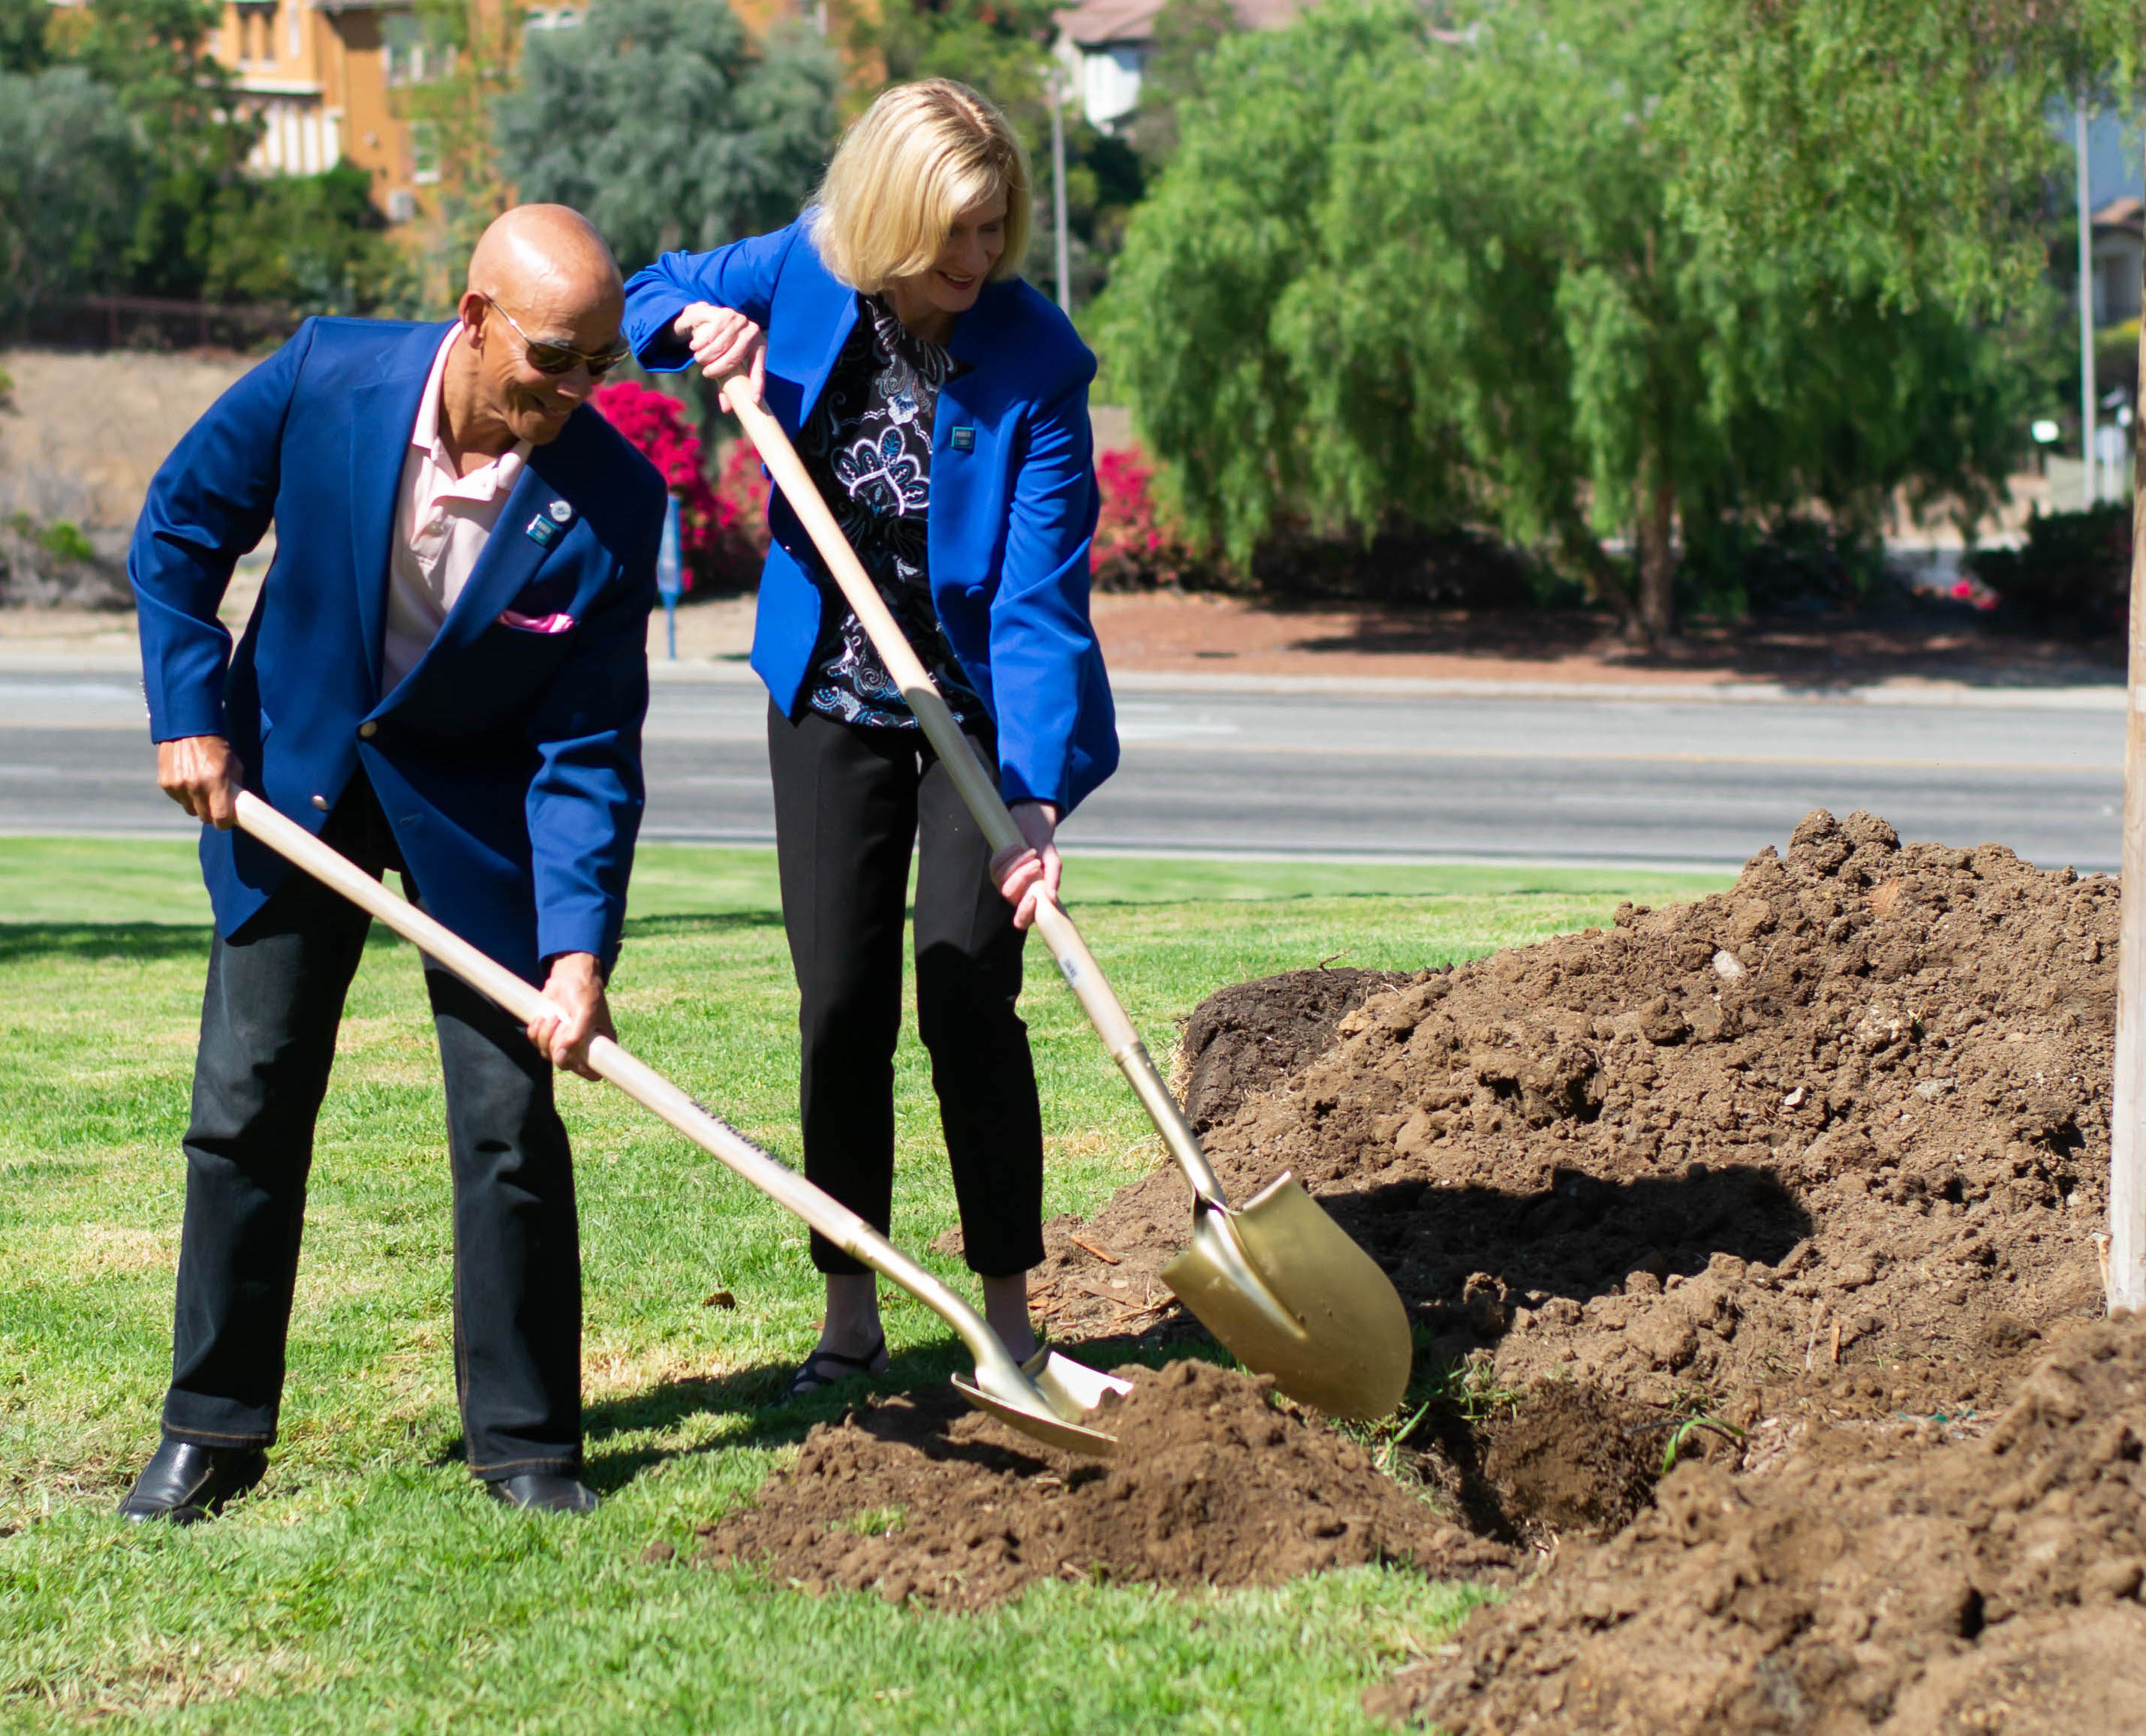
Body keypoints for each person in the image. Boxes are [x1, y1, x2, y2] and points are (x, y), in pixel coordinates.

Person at [119, 205, 665, 1522]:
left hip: (473, 813)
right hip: (294, 773)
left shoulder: (613, 496)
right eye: (556, 356)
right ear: (474, 319)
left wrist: (578, 949)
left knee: (507, 1120)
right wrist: (190, 713)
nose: (582, 389)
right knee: (246, 1101)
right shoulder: (326, 375)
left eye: (604, 362)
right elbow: (181, 528)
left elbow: (588, 740)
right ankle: (211, 1427)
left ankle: (528, 1447)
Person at [622, 79, 1118, 1395]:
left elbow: (1035, 598)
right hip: (830, 691)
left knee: (964, 981)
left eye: (992, 232)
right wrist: (699, 326)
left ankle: (1010, 1317)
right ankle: (850, 1311)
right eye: (952, 233)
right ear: (892, 215)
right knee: (842, 999)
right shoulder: (807, 263)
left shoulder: (1033, 362)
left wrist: (1034, 803)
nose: (973, 261)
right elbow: (644, 291)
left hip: (971, 708)